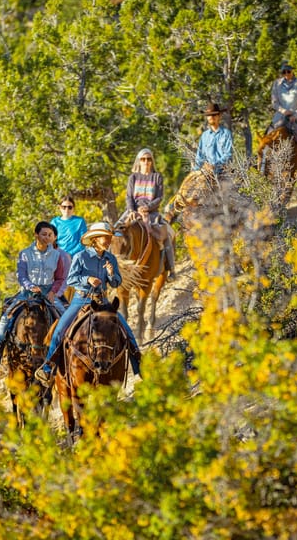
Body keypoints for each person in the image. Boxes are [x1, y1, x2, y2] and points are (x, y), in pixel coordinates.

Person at [34, 222, 142, 386]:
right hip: (81, 299)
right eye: (104, 237)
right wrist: (87, 279)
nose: (107, 240)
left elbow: (116, 283)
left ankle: (140, 365)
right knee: (59, 331)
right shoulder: (80, 257)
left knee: (126, 330)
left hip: (102, 300)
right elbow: (70, 279)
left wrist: (112, 274)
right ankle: (48, 368)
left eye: (108, 237)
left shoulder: (110, 258)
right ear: (94, 239)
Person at [0, 221, 67, 367]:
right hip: (27, 293)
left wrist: (53, 291)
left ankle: (66, 350)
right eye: (43, 234)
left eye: (49, 235)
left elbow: (60, 277)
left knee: (65, 316)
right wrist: (30, 286)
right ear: (36, 235)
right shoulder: (25, 254)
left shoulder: (56, 255)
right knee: (7, 316)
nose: (47, 237)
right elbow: (21, 275)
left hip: (48, 292)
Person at [164, 102, 234, 223]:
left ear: (219, 116)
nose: (211, 117)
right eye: (209, 115)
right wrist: (195, 171)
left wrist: (215, 164)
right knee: (186, 188)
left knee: (225, 197)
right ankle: (172, 211)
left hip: (222, 171)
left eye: (214, 115)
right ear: (207, 117)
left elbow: (228, 154)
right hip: (205, 171)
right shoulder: (205, 136)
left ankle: (227, 220)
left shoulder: (226, 134)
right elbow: (200, 156)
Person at [116, 148, 176, 278]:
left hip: (152, 213)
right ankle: (109, 268)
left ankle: (171, 269)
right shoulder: (133, 177)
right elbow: (128, 197)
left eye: (148, 159)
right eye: (143, 159)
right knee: (115, 231)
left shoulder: (157, 177)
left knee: (166, 235)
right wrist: (132, 210)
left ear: (152, 161)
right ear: (139, 161)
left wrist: (147, 208)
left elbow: (159, 197)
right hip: (132, 210)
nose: (146, 161)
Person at [267, 62, 297, 145]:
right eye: (283, 72)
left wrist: (295, 116)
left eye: (288, 71)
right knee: (268, 136)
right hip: (281, 115)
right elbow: (274, 102)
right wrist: (283, 111)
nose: (286, 74)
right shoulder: (276, 83)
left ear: (293, 71)